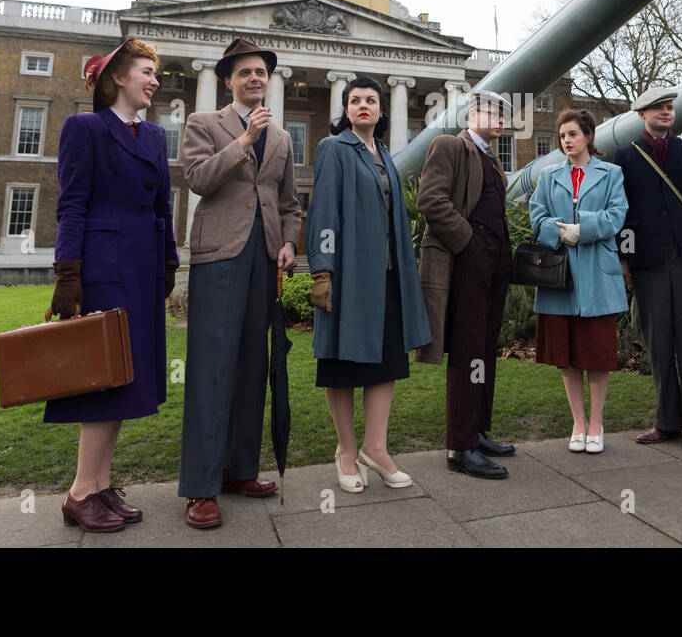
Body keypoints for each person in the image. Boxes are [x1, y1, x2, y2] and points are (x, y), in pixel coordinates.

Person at [48, 37, 178, 533]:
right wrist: (68, 272)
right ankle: (81, 491)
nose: (154, 79)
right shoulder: (85, 128)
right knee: (101, 378)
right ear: (117, 78)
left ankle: (101, 487)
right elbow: (72, 202)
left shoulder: (154, 136)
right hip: (103, 268)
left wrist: (168, 260)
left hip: (143, 269)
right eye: (145, 71)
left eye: (155, 72)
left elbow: (163, 207)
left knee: (124, 377)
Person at [178, 38, 301, 529]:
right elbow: (198, 179)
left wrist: (289, 241)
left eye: (261, 72)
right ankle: (200, 488)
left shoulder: (286, 138)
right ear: (228, 80)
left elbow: (289, 202)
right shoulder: (204, 123)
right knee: (213, 367)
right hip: (219, 256)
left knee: (254, 363)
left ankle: (240, 470)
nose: (255, 78)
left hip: (265, 256)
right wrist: (244, 141)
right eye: (245, 72)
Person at [307, 76, 432, 493]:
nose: (364, 105)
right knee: (342, 365)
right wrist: (322, 271)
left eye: (371, 100)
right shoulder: (333, 149)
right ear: (345, 109)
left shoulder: (385, 155)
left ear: (381, 111)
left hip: (388, 276)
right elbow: (323, 211)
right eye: (355, 100)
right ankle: (346, 452)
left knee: (384, 364)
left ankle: (375, 450)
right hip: (348, 277)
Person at [616, 88, 682, 458]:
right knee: (658, 340)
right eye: (658, 108)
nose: (666, 112)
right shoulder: (626, 156)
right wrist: (625, 258)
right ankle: (666, 422)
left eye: (670, 107)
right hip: (647, 259)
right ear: (641, 113)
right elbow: (625, 213)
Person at [417, 90, 518, 478]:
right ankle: (460, 447)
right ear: (472, 113)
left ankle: (477, 430)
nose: (500, 119)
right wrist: (469, 243)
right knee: (467, 352)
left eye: (504, 114)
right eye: (493, 111)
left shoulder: (491, 159)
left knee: (485, 350)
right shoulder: (449, 146)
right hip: (467, 265)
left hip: (494, 268)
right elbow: (431, 200)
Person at [528, 108, 629, 453]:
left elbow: (617, 216)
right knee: (566, 355)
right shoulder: (548, 175)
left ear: (588, 136)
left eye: (572, 134)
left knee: (597, 354)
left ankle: (597, 423)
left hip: (598, 275)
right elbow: (536, 215)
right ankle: (578, 422)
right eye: (562, 136)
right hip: (559, 275)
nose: (566, 141)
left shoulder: (612, 173)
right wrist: (559, 232)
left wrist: (582, 229)